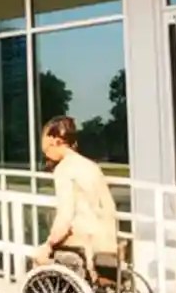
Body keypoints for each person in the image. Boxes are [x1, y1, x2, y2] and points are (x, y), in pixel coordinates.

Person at [31, 116, 119, 276]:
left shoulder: (64, 169)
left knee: (38, 257)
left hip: (83, 248)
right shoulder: (91, 166)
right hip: (107, 246)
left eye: (46, 148)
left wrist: (49, 243)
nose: (45, 152)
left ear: (54, 140)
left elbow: (65, 217)